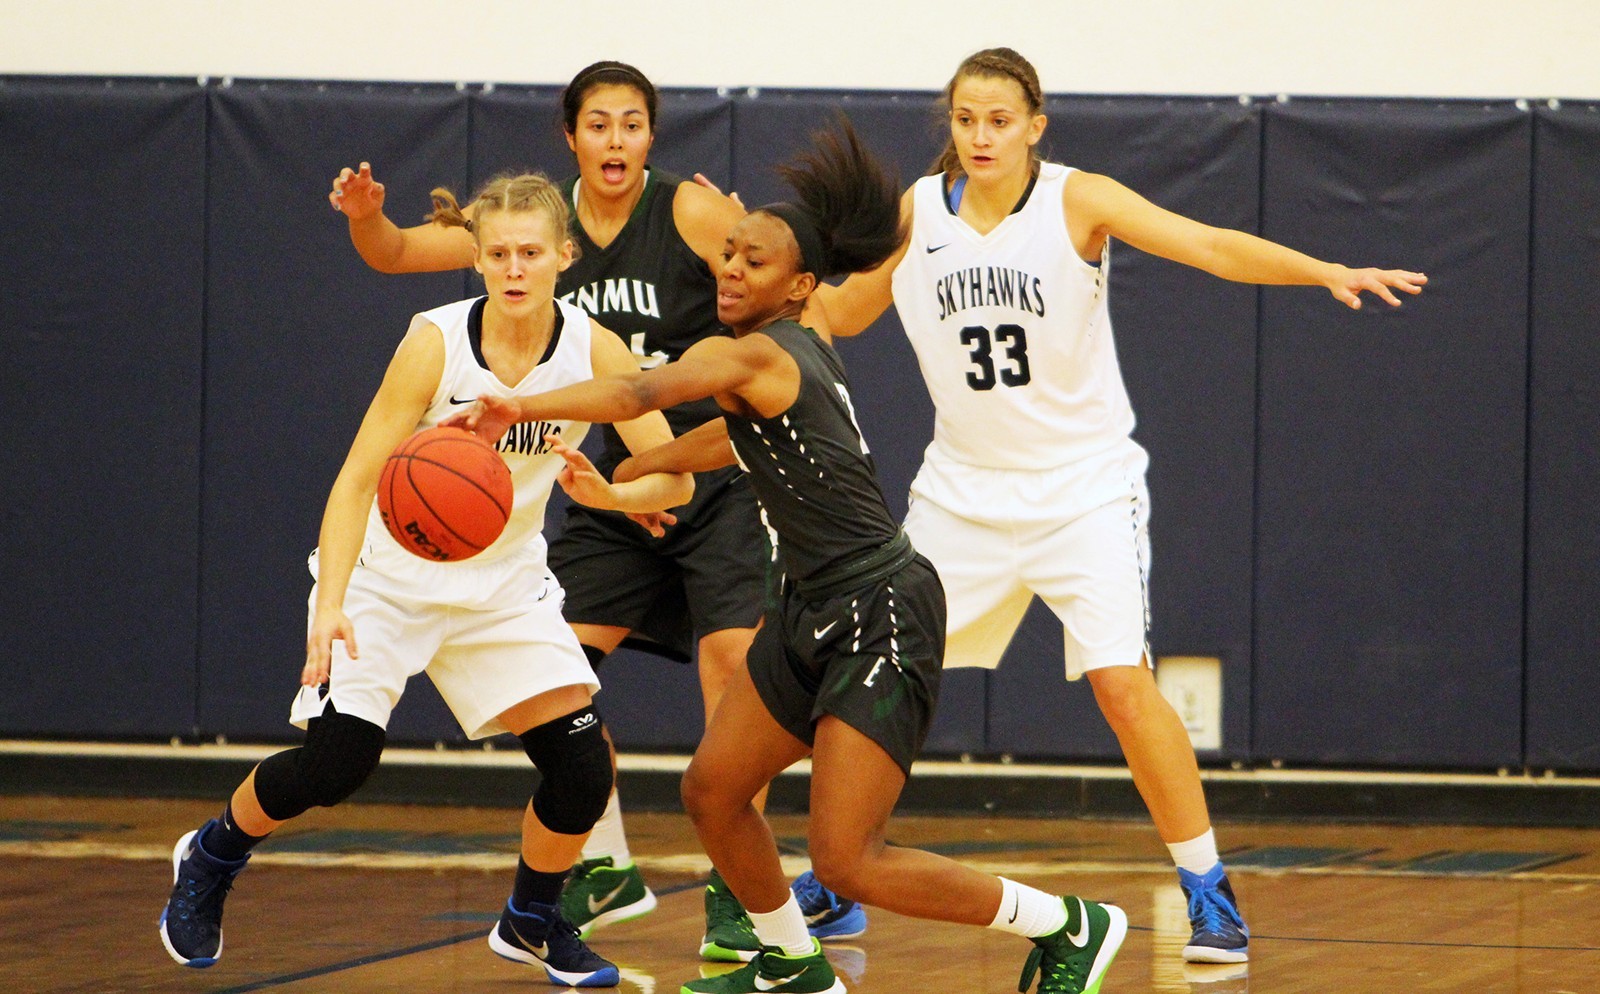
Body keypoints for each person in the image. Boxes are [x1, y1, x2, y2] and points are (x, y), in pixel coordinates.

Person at [449, 118, 1127, 994]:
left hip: (880, 610)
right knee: (713, 792)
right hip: (809, 606)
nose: (729, 269)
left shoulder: (762, 351)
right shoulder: (772, 364)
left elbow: (640, 388)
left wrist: (512, 403)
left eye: (753, 261)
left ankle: (1070, 923)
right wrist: (638, 468)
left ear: (801, 284)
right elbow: (728, 442)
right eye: (726, 254)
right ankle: (792, 963)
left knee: (849, 860)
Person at [794, 47, 1428, 965]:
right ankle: (837, 876)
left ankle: (1209, 890)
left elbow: (1208, 246)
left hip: (1082, 489)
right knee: (879, 680)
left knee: (1122, 686)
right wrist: (757, 280)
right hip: (961, 493)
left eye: (1000, 119)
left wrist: (1321, 268)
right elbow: (843, 316)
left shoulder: (1076, 199)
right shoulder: (914, 213)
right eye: (966, 118)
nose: (981, 135)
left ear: (1035, 124)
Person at [329, 60, 862, 956]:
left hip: (707, 471)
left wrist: (789, 351)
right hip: (598, 476)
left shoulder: (687, 212)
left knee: (732, 667)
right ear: (570, 138)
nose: (616, 140)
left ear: (652, 137)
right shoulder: (529, 228)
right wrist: (364, 217)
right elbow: (391, 253)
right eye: (599, 125)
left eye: (632, 124)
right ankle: (605, 863)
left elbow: (786, 278)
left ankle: (739, 895)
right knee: (556, 678)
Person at [158, 172, 695, 989]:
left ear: (564, 257)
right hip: (388, 578)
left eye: (530, 253)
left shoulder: (596, 350)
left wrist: (614, 493)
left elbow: (678, 481)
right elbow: (354, 479)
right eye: (498, 254)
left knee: (583, 771)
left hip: (503, 586)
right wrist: (330, 604)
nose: (514, 269)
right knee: (334, 767)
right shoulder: (435, 343)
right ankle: (214, 851)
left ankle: (530, 920)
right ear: (477, 259)